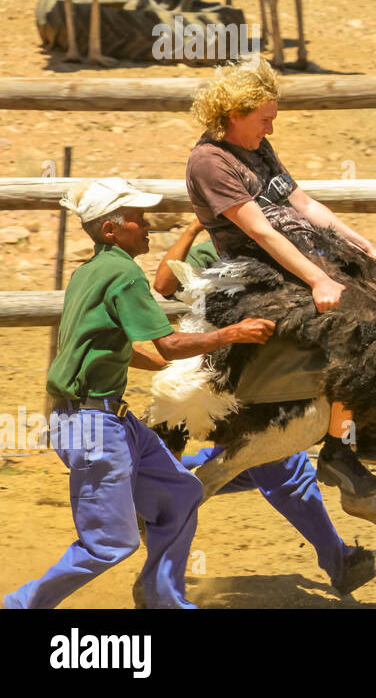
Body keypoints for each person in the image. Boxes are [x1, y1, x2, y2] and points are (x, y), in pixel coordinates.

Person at [3, 178, 273, 609]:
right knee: (109, 544)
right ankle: (21, 605)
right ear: (111, 230)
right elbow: (166, 343)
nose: (147, 227)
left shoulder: (88, 272)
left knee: (183, 493)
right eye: (137, 220)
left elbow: (107, 343)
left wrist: (164, 362)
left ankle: (164, 601)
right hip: (94, 426)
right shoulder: (124, 272)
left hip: (104, 420)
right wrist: (232, 334)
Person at [184, 58, 376, 497]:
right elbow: (258, 231)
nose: (271, 130)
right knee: (354, 324)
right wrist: (319, 280)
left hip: (305, 255)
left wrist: (359, 242)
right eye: (265, 120)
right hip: (259, 272)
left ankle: (370, 428)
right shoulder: (210, 163)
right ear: (236, 114)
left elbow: (304, 203)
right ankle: (342, 448)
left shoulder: (255, 147)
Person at [153, 217, 376, 595]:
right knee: (286, 468)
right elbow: (165, 285)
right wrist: (190, 231)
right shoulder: (213, 255)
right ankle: (339, 562)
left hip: (267, 382)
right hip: (231, 384)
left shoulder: (278, 257)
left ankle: (149, 482)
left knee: (248, 468)